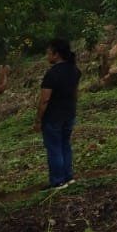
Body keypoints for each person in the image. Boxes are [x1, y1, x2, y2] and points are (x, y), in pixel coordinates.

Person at [34, 40, 79, 190]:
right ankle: (68, 176)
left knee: (54, 148)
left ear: (56, 54)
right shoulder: (74, 70)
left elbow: (45, 99)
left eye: (48, 53)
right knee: (65, 144)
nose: (47, 56)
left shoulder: (52, 74)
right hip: (69, 113)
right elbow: (75, 92)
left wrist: (38, 119)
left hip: (53, 116)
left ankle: (58, 181)